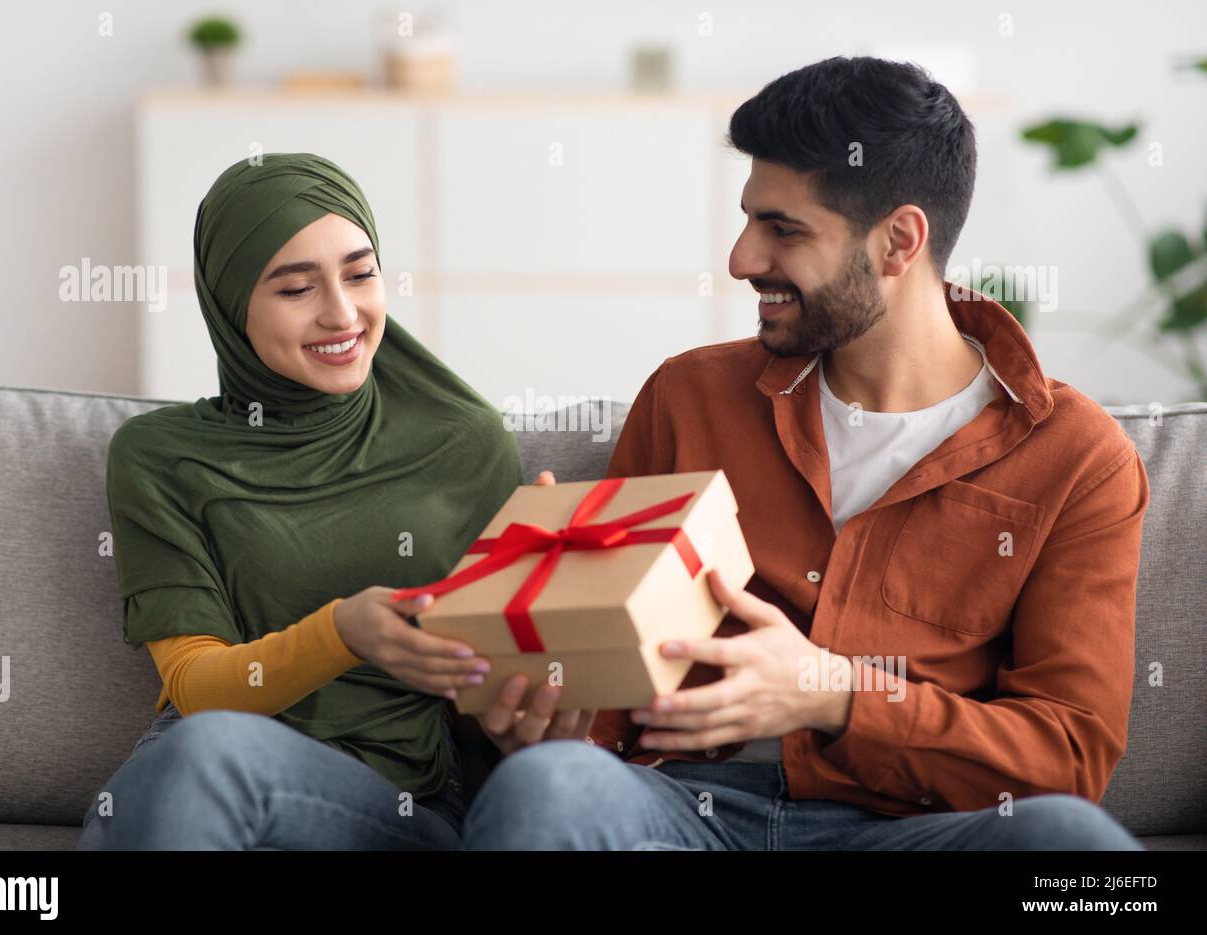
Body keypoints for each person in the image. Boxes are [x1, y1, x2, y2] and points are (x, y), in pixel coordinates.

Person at [458, 57, 1151, 850]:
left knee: (1073, 846)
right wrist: (540, 703)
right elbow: (598, 722)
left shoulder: (1075, 456)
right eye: (750, 219)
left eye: (783, 230)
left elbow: (1068, 758)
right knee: (546, 789)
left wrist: (832, 694)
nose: (742, 259)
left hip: (910, 827)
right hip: (686, 810)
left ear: (898, 242)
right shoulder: (690, 398)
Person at [77, 152, 586, 850]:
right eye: (295, 289)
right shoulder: (158, 457)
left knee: (202, 763)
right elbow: (195, 687)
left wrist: (542, 598)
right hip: (199, 779)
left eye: (361, 273)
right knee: (201, 758)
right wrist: (342, 632)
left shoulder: (461, 441)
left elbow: (485, 703)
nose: (342, 314)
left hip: (396, 802)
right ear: (230, 305)